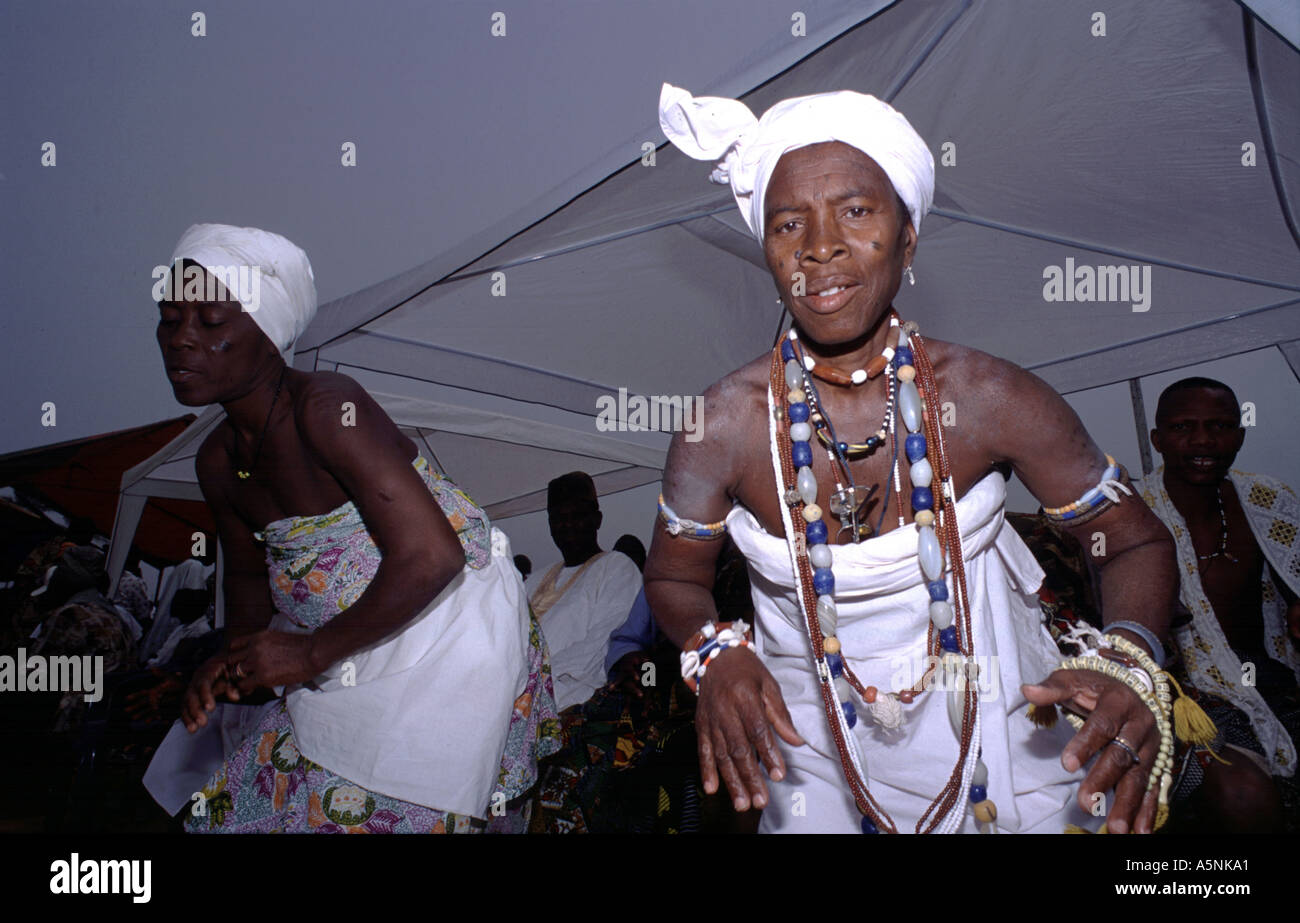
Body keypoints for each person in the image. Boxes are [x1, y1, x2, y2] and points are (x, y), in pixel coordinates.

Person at [645, 85, 1180, 834]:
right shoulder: (724, 425)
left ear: (909, 237)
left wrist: (1127, 654)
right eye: (788, 223)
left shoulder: (993, 397)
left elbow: (1132, 540)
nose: (819, 246)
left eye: (856, 212)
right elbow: (674, 576)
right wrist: (713, 651)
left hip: (1007, 728)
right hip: (809, 745)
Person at [158, 223, 559, 833]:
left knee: (392, 800)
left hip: (446, 632)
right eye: (169, 318)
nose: (182, 340)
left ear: (267, 333)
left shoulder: (326, 409)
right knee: (246, 809)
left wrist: (306, 653)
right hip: (345, 643)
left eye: (210, 322)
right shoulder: (216, 461)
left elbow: (433, 556)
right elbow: (245, 581)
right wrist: (233, 667)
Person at [1137, 377, 1300, 831]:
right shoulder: (1133, 514)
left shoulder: (1269, 499)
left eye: (1221, 426)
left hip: (1269, 674)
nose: (1204, 440)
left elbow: (1294, 586)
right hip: (1181, 690)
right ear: (1158, 439)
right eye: (1183, 427)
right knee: (1242, 795)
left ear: (1240, 435)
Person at [529, 473, 642, 711]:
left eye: (576, 516)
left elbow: (603, 641)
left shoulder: (616, 567)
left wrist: (531, 681)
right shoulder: (534, 579)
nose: (567, 525)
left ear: (597, 519)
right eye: (558, 518)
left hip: (565, 698)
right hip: (515, 696)